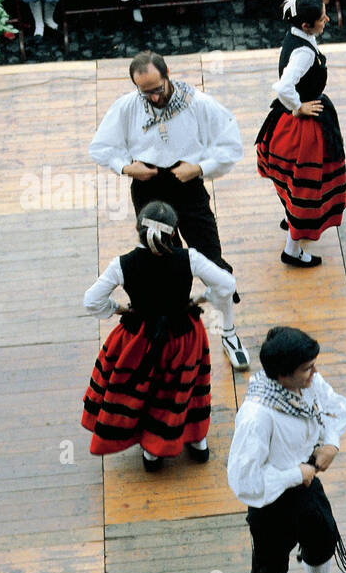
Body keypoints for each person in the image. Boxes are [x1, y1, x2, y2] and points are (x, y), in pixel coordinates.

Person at [90, 50, 251, 371]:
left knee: (212, 258)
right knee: (165, 263)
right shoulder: (127, 107)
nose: (153, 97)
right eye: (145, 91)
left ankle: (229, 332)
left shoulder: (198, 104)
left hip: (187, 183)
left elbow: (232, 144)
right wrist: (126, 167)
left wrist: (200, 168)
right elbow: (101, 147)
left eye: (157, 89)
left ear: (167, 76)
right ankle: (170, 333)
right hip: (148, 186)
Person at [227, 326, 346, 573]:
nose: (315, 373)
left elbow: (332, 409)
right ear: (281, 375)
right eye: (307, 368)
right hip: (271, 499)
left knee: (323, 536)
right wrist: (295, 473)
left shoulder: (305, 384)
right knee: (269, 566)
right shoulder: (257, 416)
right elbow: (244, 479)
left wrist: (331, 442)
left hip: (305, 484)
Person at [81, 201, 237, 471]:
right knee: (186, 385)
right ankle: (198, 441)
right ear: (174, 232)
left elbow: (91, 301)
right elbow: (227, 284)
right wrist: (201, 297)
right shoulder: (191, 258)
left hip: (140, 339)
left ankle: (153, 454)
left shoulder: (122, 264)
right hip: (184, 336)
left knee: (149, 389)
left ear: (137, 229)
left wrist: (118, 309)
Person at [256, 0, 346, 269]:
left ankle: (289, 217)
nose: (327, 20)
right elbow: (284, 86)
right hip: (303, 129)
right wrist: (299, 107)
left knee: (291, 179)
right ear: (307, 25)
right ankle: (292, 250)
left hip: (287, 122)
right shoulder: (305, 52)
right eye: (321, 18)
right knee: (307, 186)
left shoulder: (298, 36)